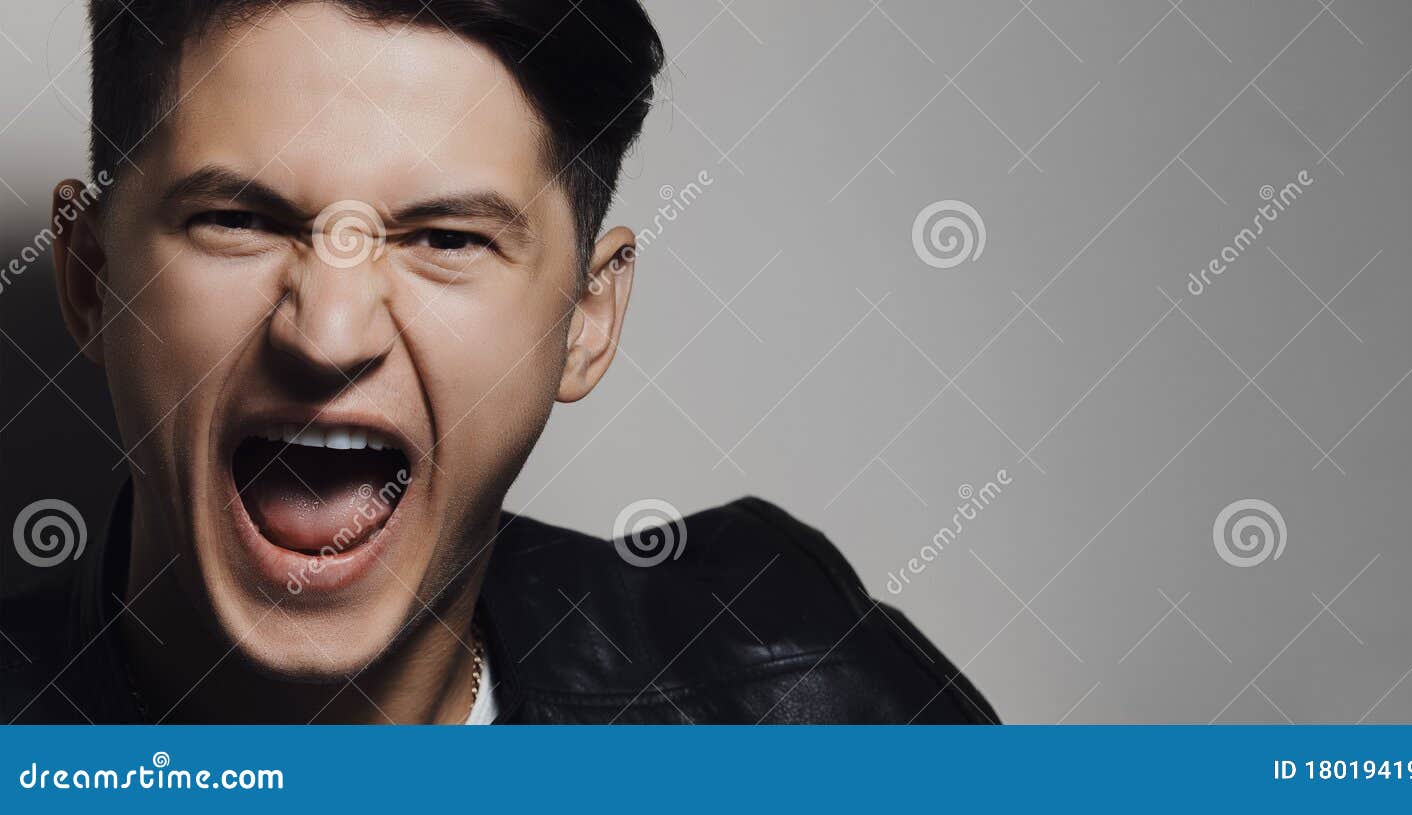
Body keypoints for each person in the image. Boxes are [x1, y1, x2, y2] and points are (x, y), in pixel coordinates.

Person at [1, 0, 994, 724]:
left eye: (447, 237)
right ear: (91, 277)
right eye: (241, 219)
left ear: (585, 318)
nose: (330, 332)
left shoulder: (797, 695)